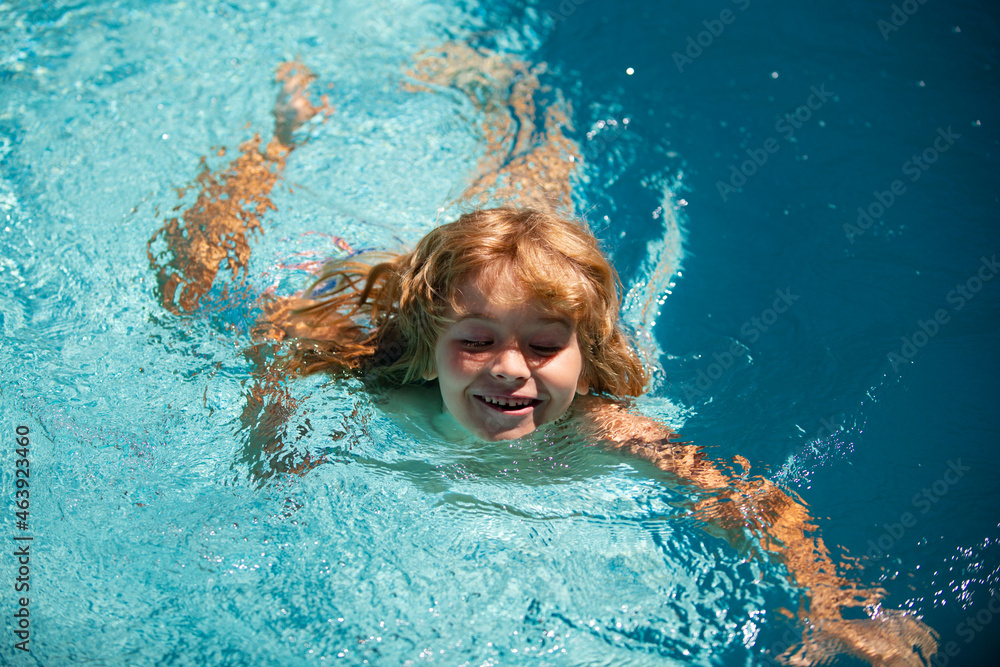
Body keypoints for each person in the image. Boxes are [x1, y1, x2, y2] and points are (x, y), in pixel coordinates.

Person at [149, 57, 938, 667]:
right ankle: (277, 139)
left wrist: (833, 605)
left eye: (543, 344)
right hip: (337, 298)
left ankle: (519, 101)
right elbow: (283, 364)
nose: (509, 368)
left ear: (586, 363)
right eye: (475, 341)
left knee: (532, 208)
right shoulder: (388, 387)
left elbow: (743, 497)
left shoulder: (603, 427)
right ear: (428, 353)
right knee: (187, 290)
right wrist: (272, 451)